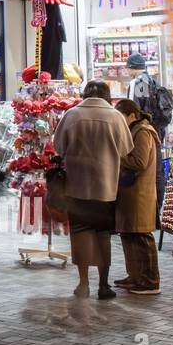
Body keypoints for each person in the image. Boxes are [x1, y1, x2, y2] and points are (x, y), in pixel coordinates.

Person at [53, 80, 134, 299]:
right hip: (106, 189)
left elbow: (59, 148)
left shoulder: (71, 115)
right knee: (102, 237)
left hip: (76, 187)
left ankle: (83, 283)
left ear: (84, 94)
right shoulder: (116, 117)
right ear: (107, 95)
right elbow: (126, 150)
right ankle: (104, 285)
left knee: (80, 236)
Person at [114, 99, 161, 295]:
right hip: (129, 191)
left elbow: (139, 162)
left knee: (141, 236)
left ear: (132, 115)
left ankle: (150, 280)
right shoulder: (133, 130)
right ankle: (134, 275)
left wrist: (116, 154)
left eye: (121, 117)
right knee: (129, 234)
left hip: (139, 192)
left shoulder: (143, 132)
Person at [125, 52, 170, 223]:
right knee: (156, 170)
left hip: (141, 132)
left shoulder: (136, 83)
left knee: (141, 169)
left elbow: (132, 111)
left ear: (131, 67)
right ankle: (157, 209)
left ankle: (144, 211)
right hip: (156, 131)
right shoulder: (153, 82)